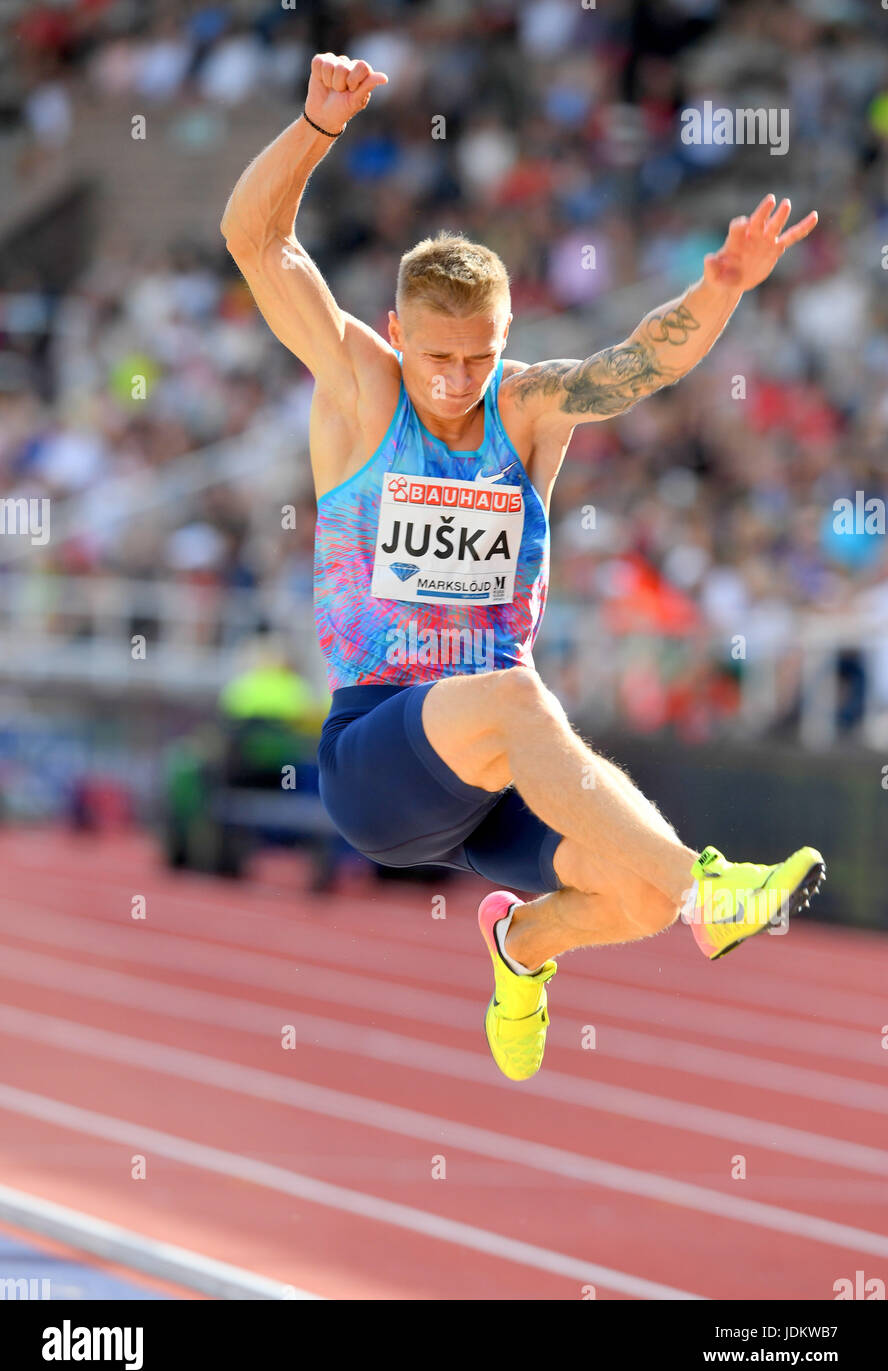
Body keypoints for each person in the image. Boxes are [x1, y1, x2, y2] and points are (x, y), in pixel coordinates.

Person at [220, 53, 825, 1082]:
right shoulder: (361, 383)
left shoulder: (526, 404)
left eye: (480, 356)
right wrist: (316, 128)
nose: (457, 381)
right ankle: (708, 886)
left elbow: (638, 363)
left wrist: (718, 287)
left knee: (625, 895)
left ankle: (521, 948)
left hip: (493, 779)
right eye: (437, 357)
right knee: (515, 698)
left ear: (504, 340)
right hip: (378, 751)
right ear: (400, 333)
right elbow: (255, 240)